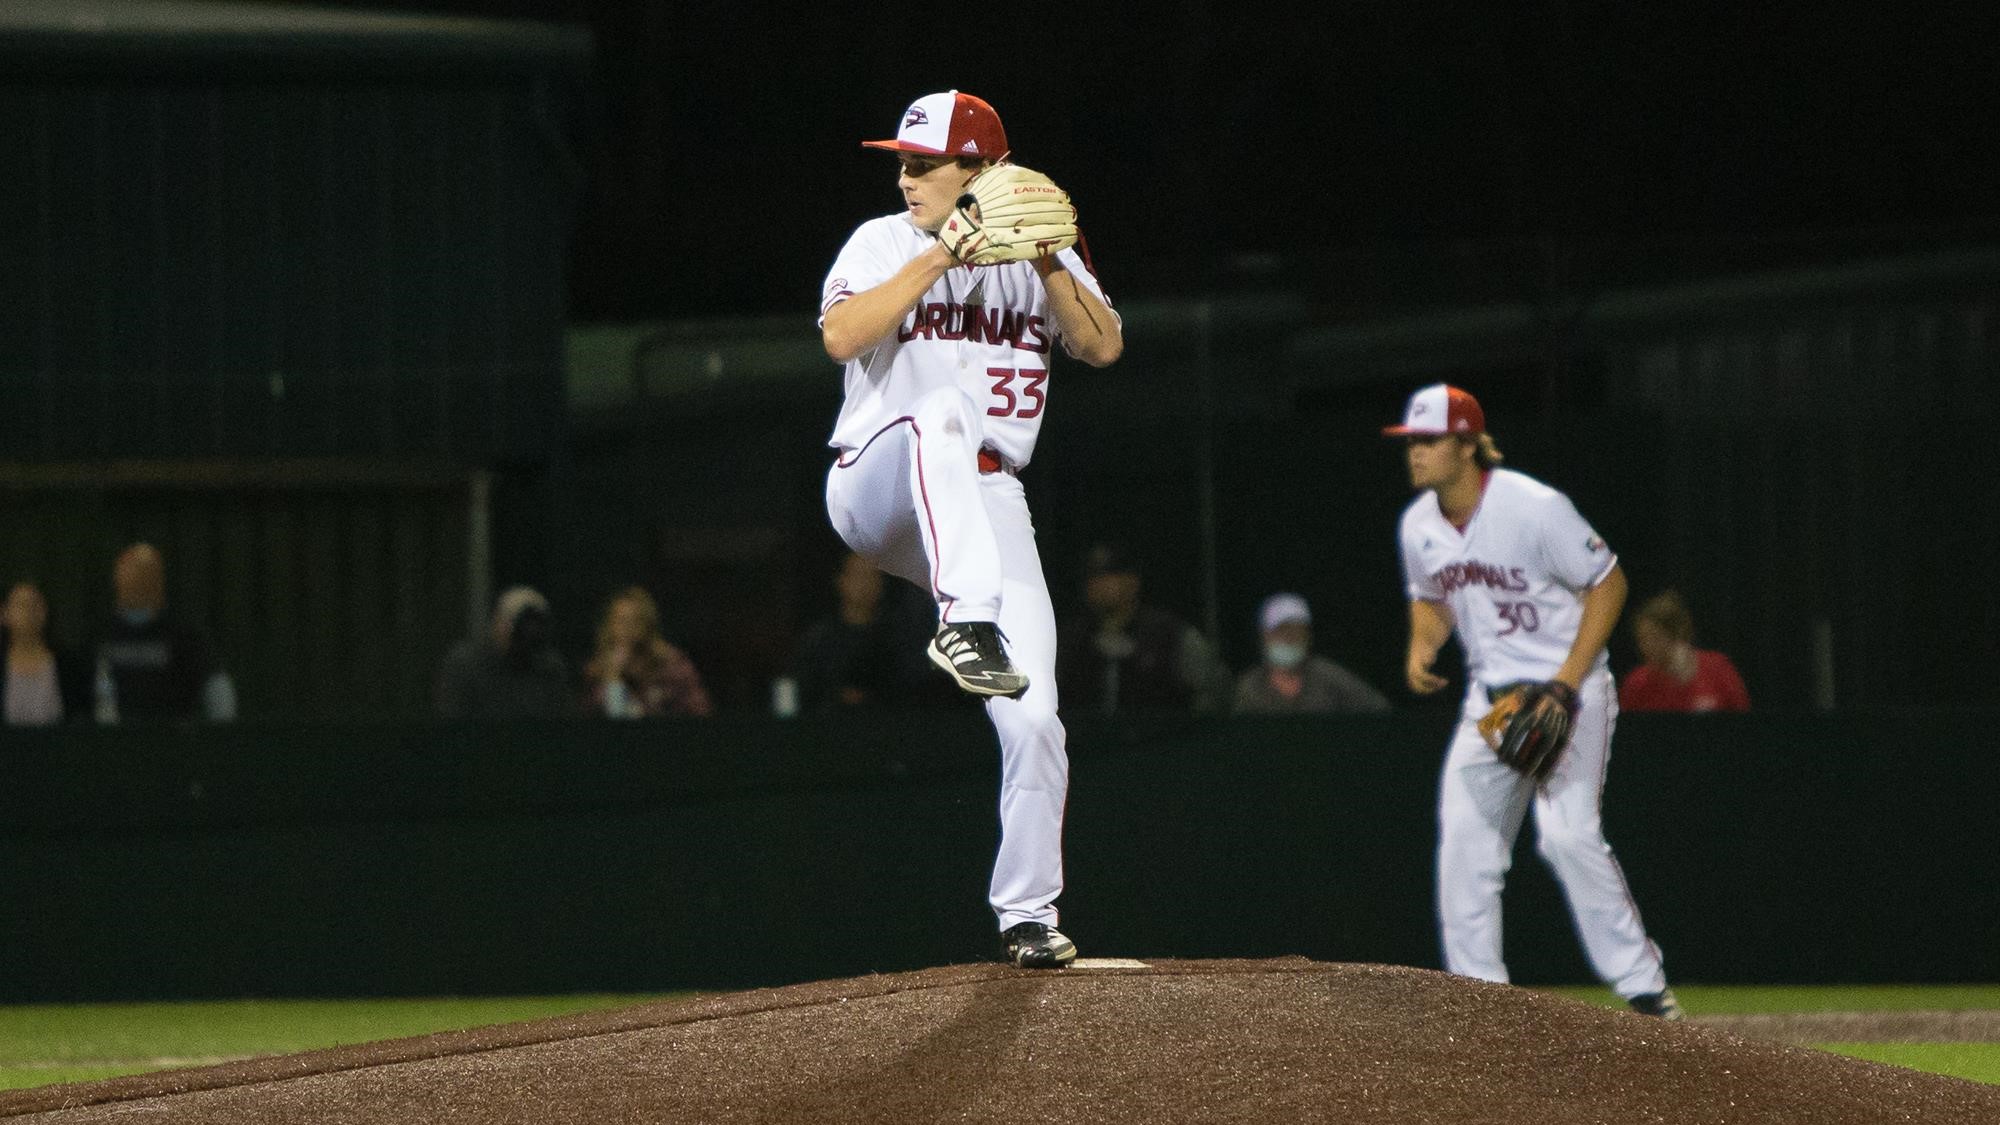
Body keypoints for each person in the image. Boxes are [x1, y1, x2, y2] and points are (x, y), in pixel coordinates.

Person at [818, 90, 1122, 968]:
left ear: (981, 171)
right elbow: (842, 336)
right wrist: (940, 257)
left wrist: (1052, 260)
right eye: (903, 162)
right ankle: (964, 620)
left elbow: (1100, 347)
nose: (906, 176)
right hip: (877, 481)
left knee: (1035, 720)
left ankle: (1027, 913)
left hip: (986, 500)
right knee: (942, 413)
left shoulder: (1039, 251)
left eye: (925, 163)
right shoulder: (882, 240)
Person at [1387, 383, 1682, 1020]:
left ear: (1467, 446)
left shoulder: (1534, 507)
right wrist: (1422, 644)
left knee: (1568, 838)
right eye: (1411, 442)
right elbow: (1431, 596)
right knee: (1464, 846)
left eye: (1429, 441)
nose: (1415, 454)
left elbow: (1609, 585)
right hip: (1488, 707)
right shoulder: (1418, 525)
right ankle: (1482, 1004)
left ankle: (1645, 990)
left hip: (1567, 693)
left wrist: (1566, 684)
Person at [1057, 542, 1232, 716]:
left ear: (1132, 580)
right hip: (1085, 741)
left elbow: (1214, 691)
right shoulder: (1071, 641)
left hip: (1161, 740)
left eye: (1109, 575)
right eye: (1093, 578)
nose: (1099, 585)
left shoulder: (1169, 634)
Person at [788, 552, 951, 712]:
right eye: (858, 575)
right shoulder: (820, 640)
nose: (865, 584)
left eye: (871, 576)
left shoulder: (896, 640)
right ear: (841, 581)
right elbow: (803, 689)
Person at [92, 543, 236, 723]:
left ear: (158, 580)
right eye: (129, 574)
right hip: (114, 743)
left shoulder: (184, 635)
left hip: (172, 742)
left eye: (145, 575)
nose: (136, 581)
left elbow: (216, 685)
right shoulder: (101, 634)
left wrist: (223, 737)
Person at [1233, 592, 1391, 714]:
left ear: (1308, 636)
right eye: (1282, 631)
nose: (1289, 638)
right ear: (1265, 636)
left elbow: (1380, 709)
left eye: (1297, 631)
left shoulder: (1330, 678)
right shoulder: (1251, 687)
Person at [435, 585, 575, 719]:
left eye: (536, 626)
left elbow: (562, 718)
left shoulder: (549, 669)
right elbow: (452, 722)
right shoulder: (465, 665)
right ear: (498, 621)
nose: (528, 633)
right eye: (522, 625)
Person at [582, 586, 712, 718]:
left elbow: (700, 710)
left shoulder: (672, 665)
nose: (627, 628)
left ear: (647, 625)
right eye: (621, 621)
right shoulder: (596, 672)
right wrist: (613, 678)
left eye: (635, 621)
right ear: (609, 625)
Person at [1619, 589, 1750, 713]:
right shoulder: (1637, 683)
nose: (1646, 646)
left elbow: (1743, 719)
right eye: (1642, 639)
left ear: (1677, 633)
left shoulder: (1717, 668)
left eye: (1655, 638)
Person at [2, 581, 91, 726]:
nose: (29, 612)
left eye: (36, 605)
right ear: (5, 613)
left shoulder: (68, 664)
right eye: (21, 605)